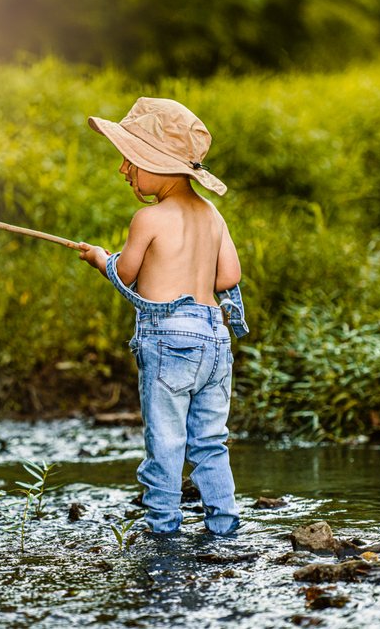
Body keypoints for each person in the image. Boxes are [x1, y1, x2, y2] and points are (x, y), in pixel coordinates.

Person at [78, 97, 248, 536]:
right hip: (215, 340)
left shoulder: (148, 218)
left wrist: (101, 259)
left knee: (166, 442)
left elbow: (127, 274)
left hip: (169, 339)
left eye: (131, 159)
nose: (124, 170)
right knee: (210, 441)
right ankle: (224, 526)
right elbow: (230, 275)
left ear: (160, 164)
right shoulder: (214, 217)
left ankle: (163, 528)